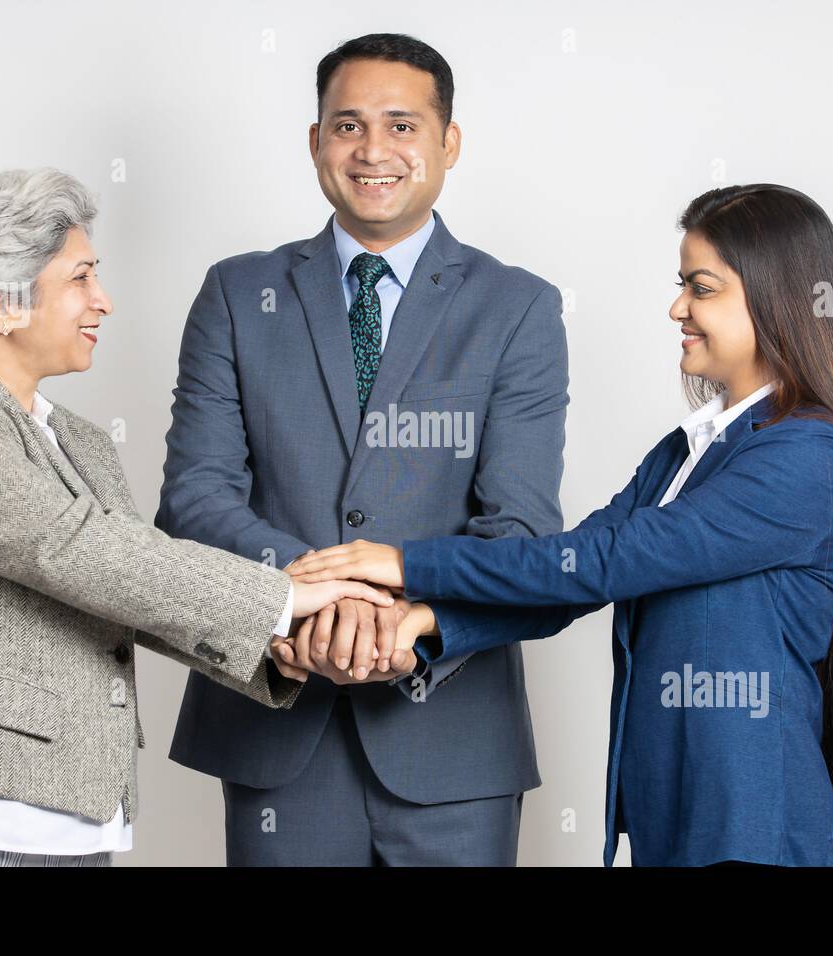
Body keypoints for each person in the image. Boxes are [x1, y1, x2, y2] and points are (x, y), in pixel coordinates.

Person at [287, 184, 833, 867]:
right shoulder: (683, 453)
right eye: (682, 286)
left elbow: (610, 556)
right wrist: (426, 621)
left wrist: (404, 563)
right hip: (674, 821)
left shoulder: (807, 457)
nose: (678, 308)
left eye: (701, 289)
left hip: (752, 831)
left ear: (775, 298)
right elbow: (575, 577)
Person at [0, 168, 388, 867]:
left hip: (74, 816)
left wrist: (281, 646)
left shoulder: (78, 440)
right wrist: (287, 598)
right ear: (1, 303)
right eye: (80, 278)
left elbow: (124, 590)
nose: (103, 301)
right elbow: (78, 550)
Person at [162, 34, 569, 866]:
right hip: (279, 719)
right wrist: (315, 597)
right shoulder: (239, 294)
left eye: (402, 126)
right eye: (347, 126)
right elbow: (194, 498)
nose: (374, 150)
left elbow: (521, 529)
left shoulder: (518, 307)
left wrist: (400, 616)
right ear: (316, 143)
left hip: (455, 739)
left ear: (448, 144)